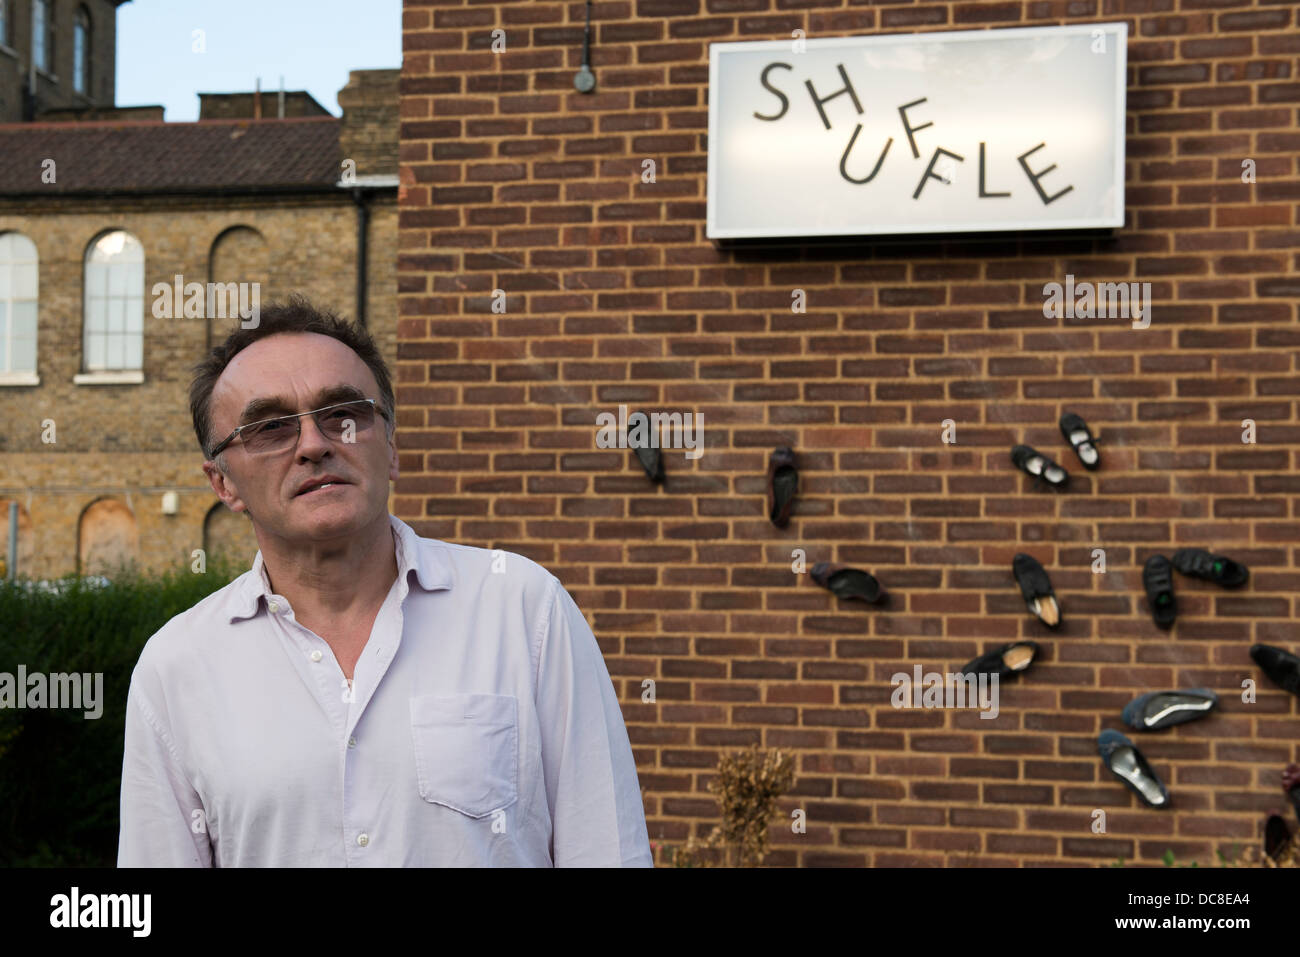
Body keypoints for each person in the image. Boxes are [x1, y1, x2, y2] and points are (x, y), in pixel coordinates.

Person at [117, 296, 652, 867]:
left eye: (344, 414)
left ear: (390, 447)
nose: (315, 444)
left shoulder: (522, 610)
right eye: (270, 428)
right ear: (223, 483)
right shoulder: (176, 667)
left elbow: (606, 851)